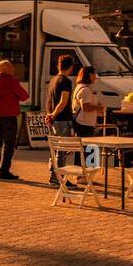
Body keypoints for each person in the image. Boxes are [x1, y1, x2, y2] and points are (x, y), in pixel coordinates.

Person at [0, 59, 28, 179]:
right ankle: (4, 171)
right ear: (6, 69)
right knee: (9, 144)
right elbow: (24, 96)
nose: (13, 69)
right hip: (8, 115)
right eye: (11, 67)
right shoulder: (12, 81)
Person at [45, 55, 76, 184]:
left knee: (55, 149)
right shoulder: (66, 81)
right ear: (71, 67)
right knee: (62, 151)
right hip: (62, 119)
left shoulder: (53, 80)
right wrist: (54, 114)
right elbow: (63, 101)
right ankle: (59, 177)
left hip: (53, 119)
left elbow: (49, 100)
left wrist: (49, 114)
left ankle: (53, 175)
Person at [72, 65, 103, 137]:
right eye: (94, 74)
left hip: (84, 122)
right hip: (84, 123)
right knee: (86, 146)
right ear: (90, 75)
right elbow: (85, 107)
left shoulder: (80, 86)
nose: (95, 77)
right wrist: (98, 107)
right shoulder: (85, 89)